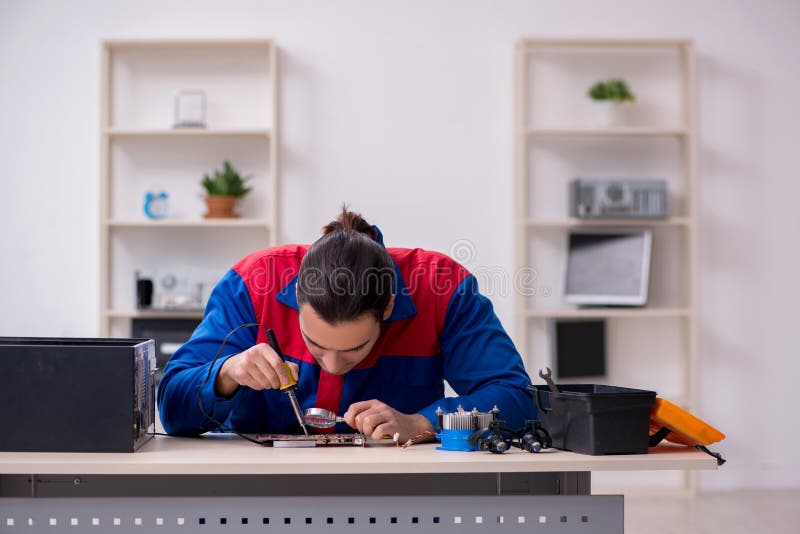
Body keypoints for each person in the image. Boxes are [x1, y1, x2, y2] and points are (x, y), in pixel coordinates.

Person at [157, 207, 535, 442]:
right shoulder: (253, 283)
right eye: (314, 345)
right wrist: (227, 373)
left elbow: (517, 399)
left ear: (388, 306)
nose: (332, 365)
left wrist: (422, 422)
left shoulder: (443, 289)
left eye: (354, 348)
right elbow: (171, 410)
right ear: (296, 298)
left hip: (401, 496)